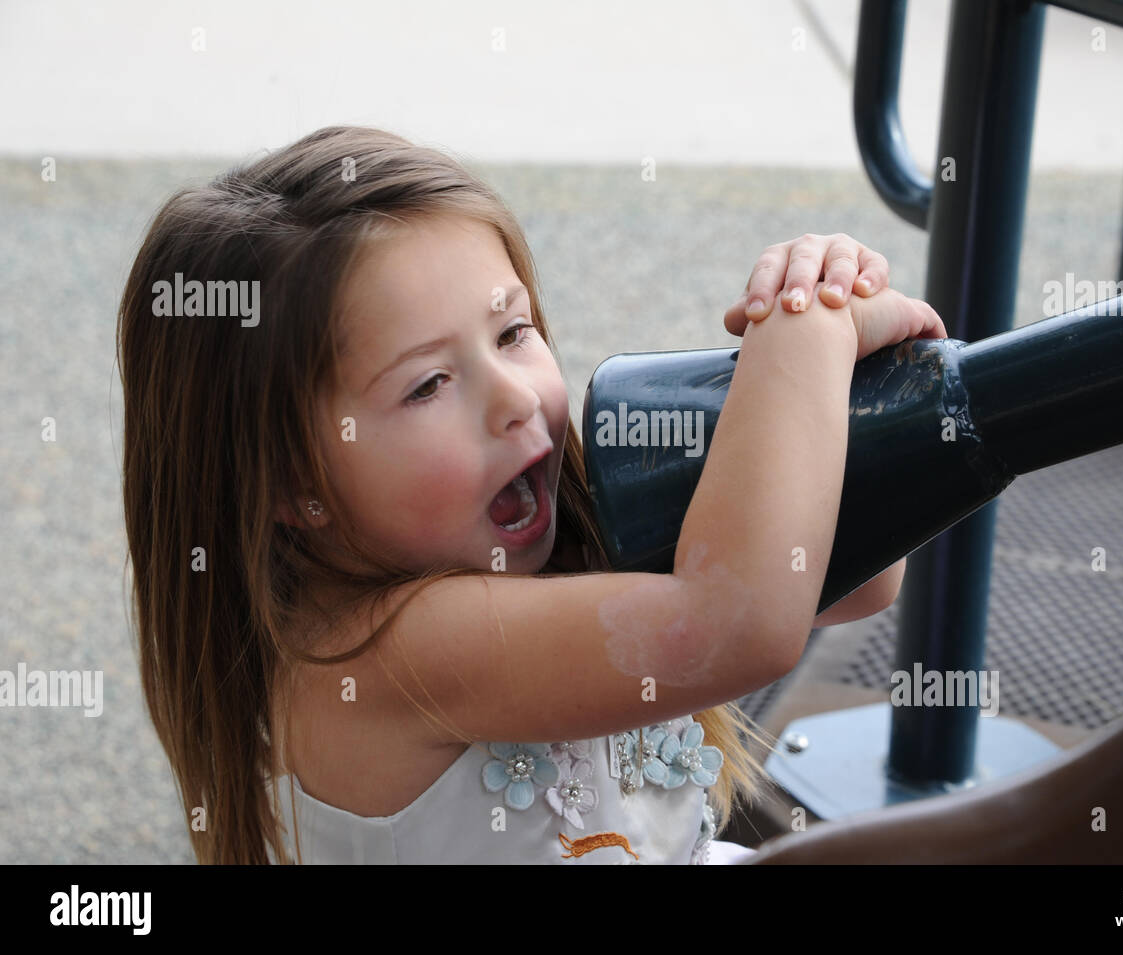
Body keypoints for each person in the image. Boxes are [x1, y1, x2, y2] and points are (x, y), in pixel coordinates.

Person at [116, 125, 946, 865]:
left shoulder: (546, 533)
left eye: (513, 332)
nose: (513, 396)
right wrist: (805, 337)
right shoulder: (381, 655)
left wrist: (840, 357)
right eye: (429, 384)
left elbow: (855, 580)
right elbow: (740, 627)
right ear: (294, 483)